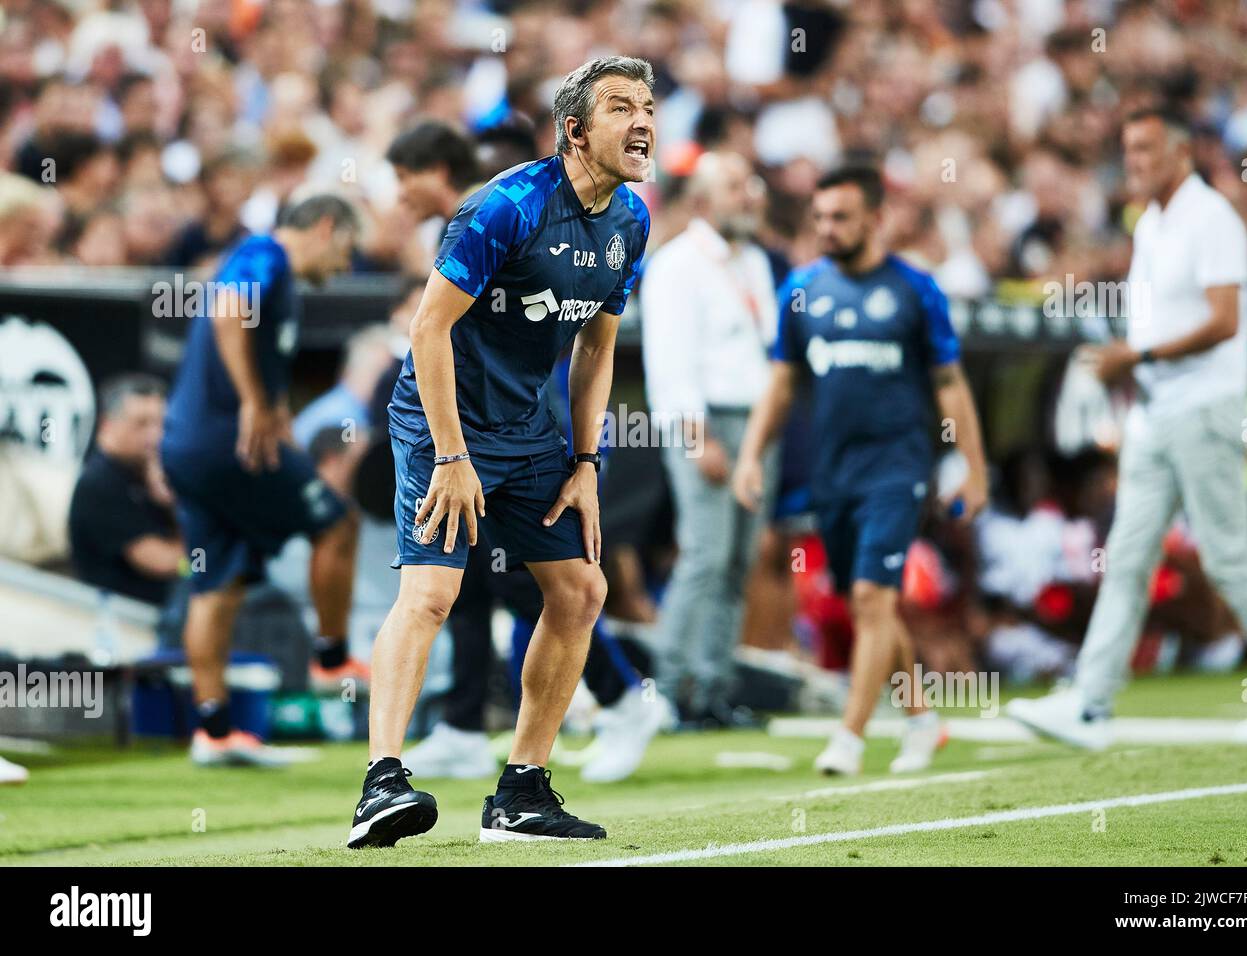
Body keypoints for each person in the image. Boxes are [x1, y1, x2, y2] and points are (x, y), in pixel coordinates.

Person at [348, 55, 654, 848]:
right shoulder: (505, 205)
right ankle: (380, 782)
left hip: (527, 430)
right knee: (432, 595)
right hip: (442, 423)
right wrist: (452, 457)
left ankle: (521, 792)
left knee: (581, 591)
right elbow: (427, 329)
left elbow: (596, 350)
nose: (644, 121)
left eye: (649, 106)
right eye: (621, 107)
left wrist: (586, 465)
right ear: (575, 130)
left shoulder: (631, 222)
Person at [1007, 107, 1247, 747]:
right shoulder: (1152, 224)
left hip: (1205, 409)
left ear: (1180, 153)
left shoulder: (1210, 217)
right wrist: (1137, 371)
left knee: (1226, 553)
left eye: (1146, 149)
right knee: (1128, 557)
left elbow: (1225, 320)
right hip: (1156, 412)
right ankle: (1091, 703)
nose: (1134, 161)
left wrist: (1136, 358)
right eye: (1128, 150)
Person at [734, 165, 989, 775]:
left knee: (875, 595)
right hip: (833, 471)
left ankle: (849, 736)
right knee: (865, 602)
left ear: (876, 219)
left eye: (840, 217)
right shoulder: (800, 289)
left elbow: (949, 383)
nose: (826, 228)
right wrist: (750, 453)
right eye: (819, 217)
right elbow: (782, 381)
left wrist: (974, 469)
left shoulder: (915, 289)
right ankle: (924, 719)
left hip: (898, 467)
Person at [160, 194, 368, 767]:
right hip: (229, 446)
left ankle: (214, 730)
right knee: (339, 523)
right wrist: (253, 401)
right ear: (326, 226)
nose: (347, 266)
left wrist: (269, 407)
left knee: (217, 586)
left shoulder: (275, 279)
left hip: (191, 448)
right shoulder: (265, 254)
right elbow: (230, 309)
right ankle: (332, 662)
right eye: (347, 249)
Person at [640, 151, 779, 726]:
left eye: (748, 184)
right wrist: (699, 438)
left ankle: (714, 687)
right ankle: (669, 688)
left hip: (757, 420)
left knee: (739, 559)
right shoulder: (677, 265)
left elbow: (765, 344)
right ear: (699, 201)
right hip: (711, 420)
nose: (747, 194)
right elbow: (672, 363)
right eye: (732, 186)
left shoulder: (755, 262)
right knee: (705, 553)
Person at [69, 374, 183, 606]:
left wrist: (173, 502)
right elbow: (166, 564)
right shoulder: (100, 483)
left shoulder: (147, 475)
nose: (156, 435)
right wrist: (203, 558)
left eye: (162, 424)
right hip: (125, 619)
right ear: (107, 424)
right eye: (141, 423)